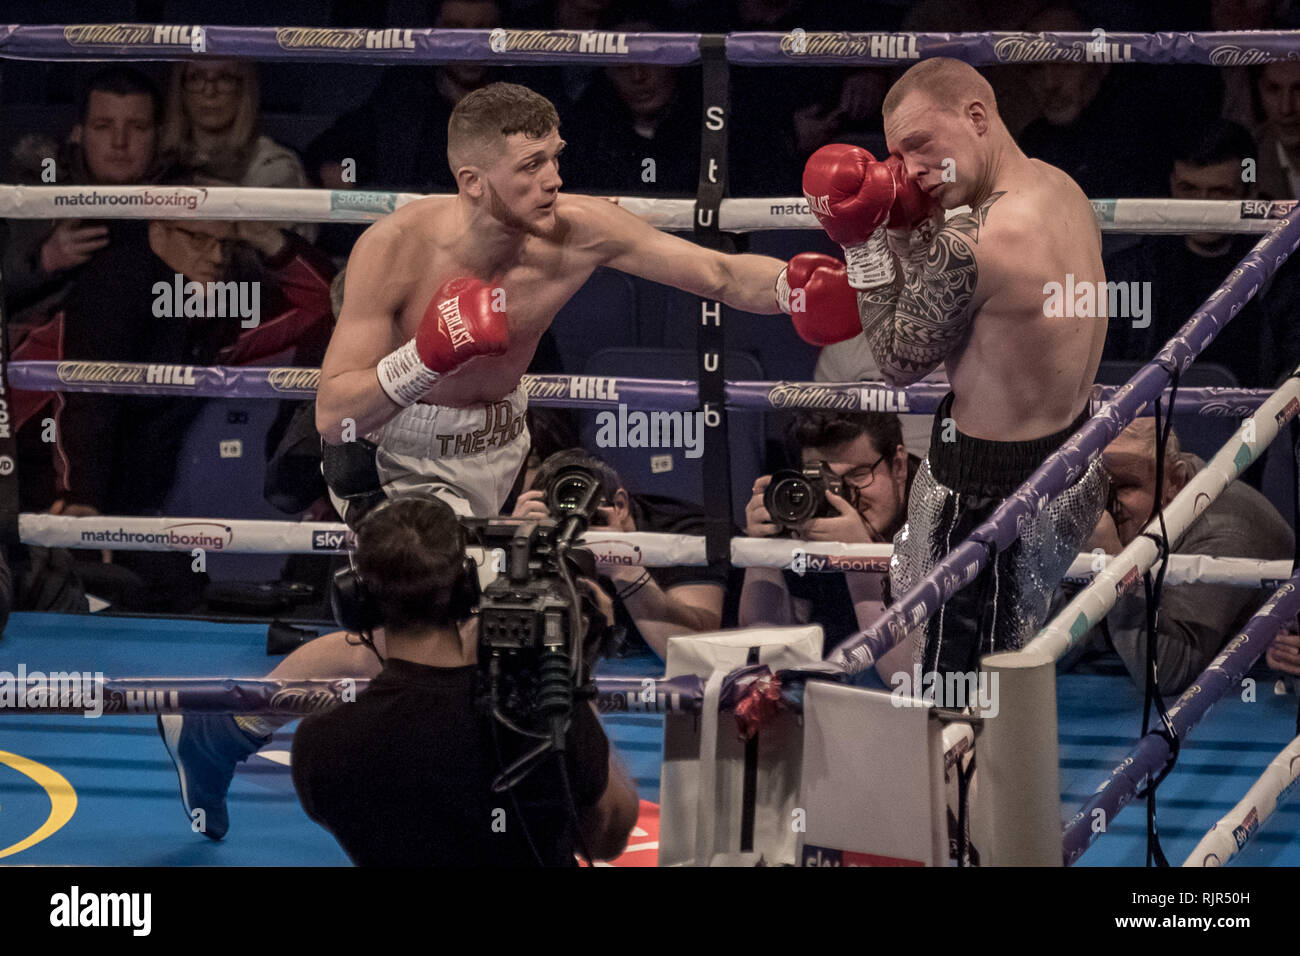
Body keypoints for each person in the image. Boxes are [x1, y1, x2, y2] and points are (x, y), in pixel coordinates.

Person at [159, 80, 793, 838]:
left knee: (416, 642)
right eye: (529, 166)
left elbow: (720, 275)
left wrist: (812, 287)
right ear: (473, 181)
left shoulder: (578, 230)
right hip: (390, 453)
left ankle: (222, 726)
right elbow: (334, 414)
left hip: (498, 446)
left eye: (554, 157)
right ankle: (550, 800)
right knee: (468, 625)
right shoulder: (397, 246)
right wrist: (427, 355)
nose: (552, 179)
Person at [784, 56, 1109, 679]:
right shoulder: (1059, 186)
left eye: (919, 144)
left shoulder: (975, 243)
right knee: (1005, 667)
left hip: (988, 491)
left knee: (954, 684)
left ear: (977, 117)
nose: (909, 170)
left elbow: (897, 361)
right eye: (896, 157)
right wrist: (913, 228)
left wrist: (863, 241)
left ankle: (965, 746)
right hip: (1070, 458)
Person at [286, 494, 638, 866]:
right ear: (467, 584)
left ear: (355, 599)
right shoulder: (534, 716)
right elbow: (607, 838)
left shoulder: (321, 743)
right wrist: (572, 678)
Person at [50, 197, 334, 612]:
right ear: (157, 230)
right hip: (59, 480)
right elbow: (86, 396)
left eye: (226, 243)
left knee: (180, 595)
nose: (216, 256)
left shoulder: (219, 302)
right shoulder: (116, 281)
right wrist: (81, 497)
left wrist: (261, 234)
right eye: (199, 238)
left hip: (141, 501)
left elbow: (328, 301)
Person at [1080, 420, 1293, 696]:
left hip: (1250, 695)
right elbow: (1049, 642)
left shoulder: (1223, 532)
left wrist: (1112, 562)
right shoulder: (1147, 485)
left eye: (1124, 486)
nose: (1105, 503)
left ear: (1175, 481)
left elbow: (1166, 672)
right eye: (1098, 485)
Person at [740, 411, 914, 677]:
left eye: (858, 474)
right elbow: (765, 656)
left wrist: (859, 557)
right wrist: (763, 552)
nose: (840, 495)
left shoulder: (939, 518)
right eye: (822, 480)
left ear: (898, 466)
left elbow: (904, 676)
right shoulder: (806, 511)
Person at [1103, 120, 1277, 387]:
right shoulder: (1129, 273)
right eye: (1189, 189)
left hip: (1255, 413)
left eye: (1219, 192)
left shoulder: (1281, 274)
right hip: (1147, 413)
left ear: (1250, 192)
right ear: (1172, 185)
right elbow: (1103, 374)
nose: (1202, 206)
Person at [515, 448, 730, 660]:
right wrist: (516, 546)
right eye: (560, 515)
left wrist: (623, 566)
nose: (573, 524)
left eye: (584, 513)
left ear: (619, 505)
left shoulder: (685, 535)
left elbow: (694, 652)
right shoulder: (546, 537)